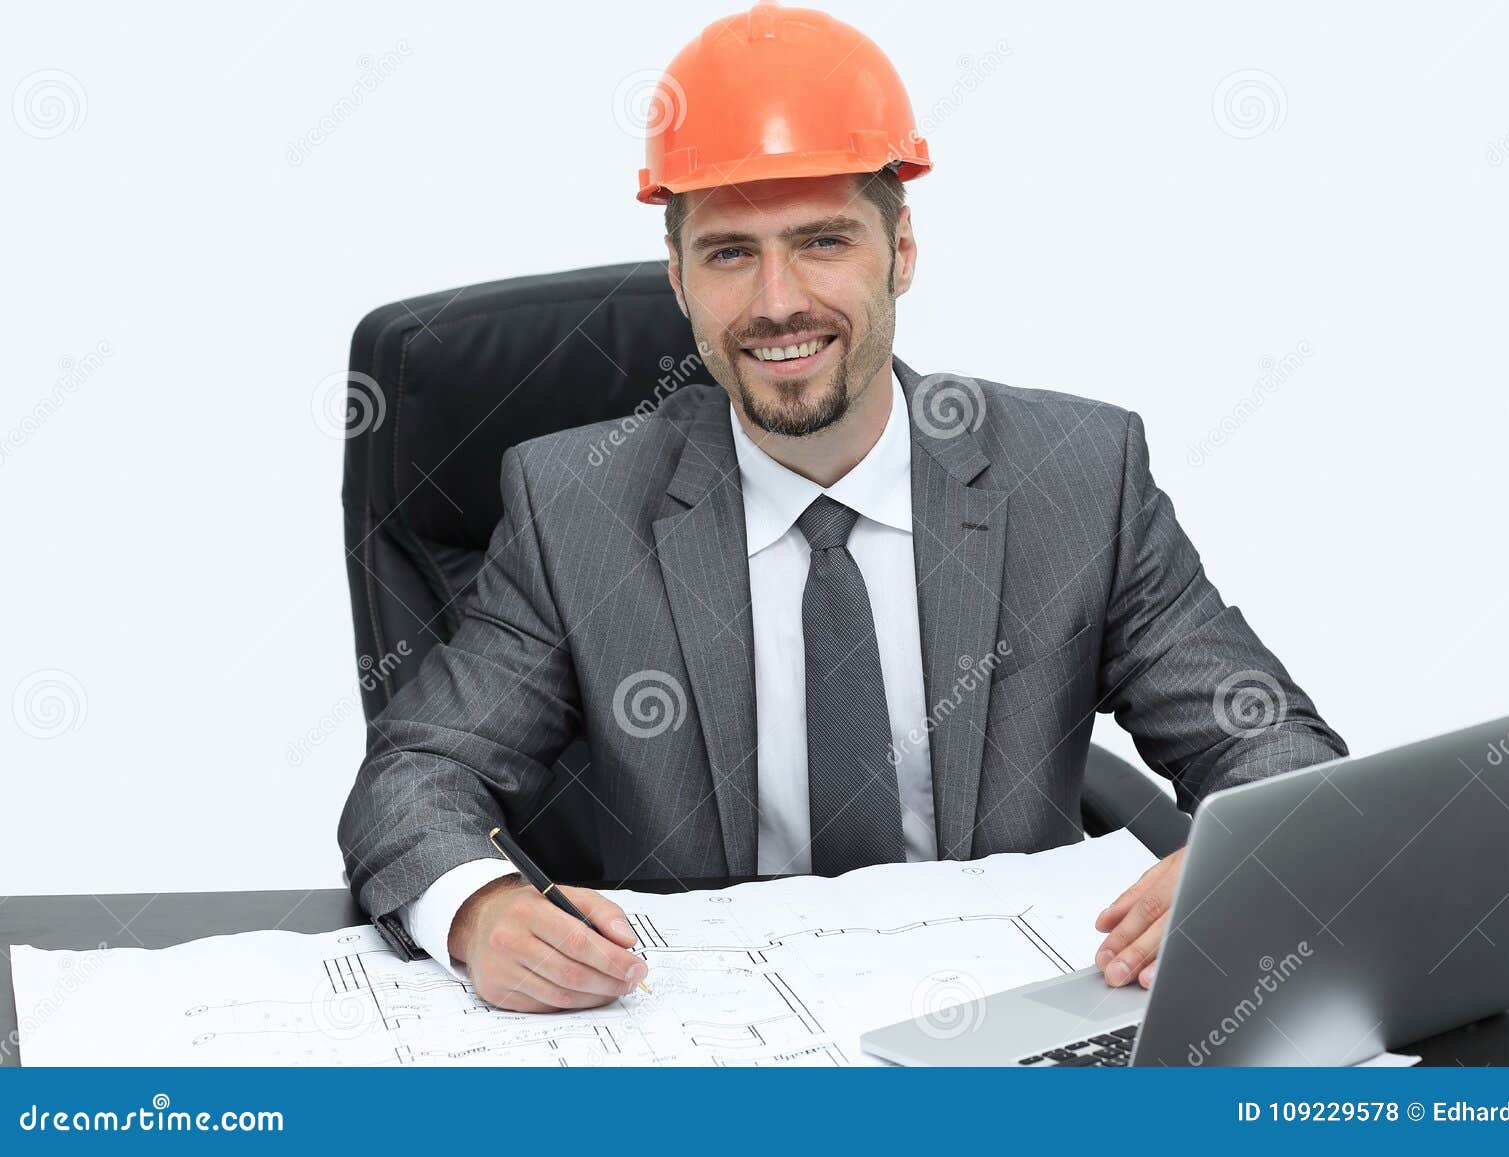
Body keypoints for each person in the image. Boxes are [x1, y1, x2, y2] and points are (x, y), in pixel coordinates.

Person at [338, 1, 1346, 1014]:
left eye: (823, 241)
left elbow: (1268, 745)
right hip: (707, 1029)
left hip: (1006, 1027)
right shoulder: (577, 507)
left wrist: (1245, 861)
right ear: (679, 278)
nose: (778, 300)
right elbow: (415, 774)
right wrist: (476, 908)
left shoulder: (1077, 477)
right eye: (730, 252)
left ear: (900, 250)